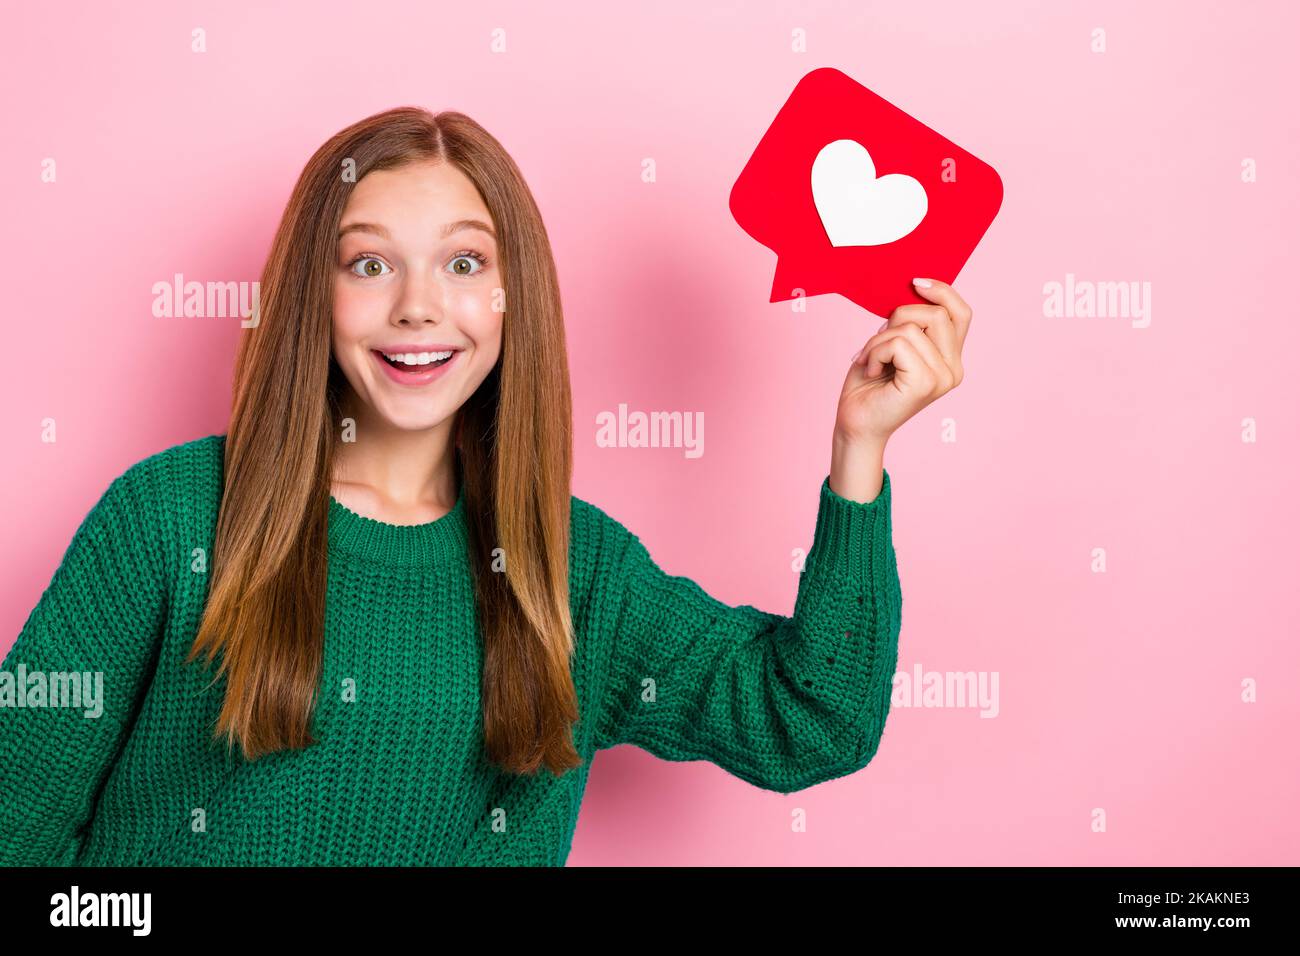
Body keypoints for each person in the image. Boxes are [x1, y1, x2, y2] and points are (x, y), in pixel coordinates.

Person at [0, 106, 970, 867]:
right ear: (315, 294)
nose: (418, 304)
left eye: (464, 262)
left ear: (514, 299)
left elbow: (814, 719)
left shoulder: (578, 570)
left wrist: (859, 447)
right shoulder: (168, 518)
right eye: (370, 262)